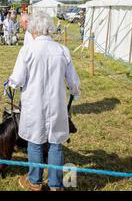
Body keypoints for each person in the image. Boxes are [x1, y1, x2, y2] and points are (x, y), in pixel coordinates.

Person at [8, 11, 80, 191]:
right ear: (48, 29)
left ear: (32, 29)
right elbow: (73, 81)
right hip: (57, 104)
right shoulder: (62, 50)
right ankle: (56, 185)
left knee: (35, 142)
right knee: (55, 144)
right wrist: (74, 92)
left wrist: (10, 83)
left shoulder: (27, 50)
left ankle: (35, 182)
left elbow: (16, 80)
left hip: (34, 105)